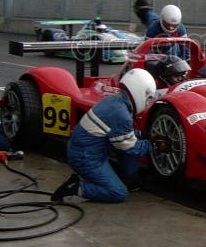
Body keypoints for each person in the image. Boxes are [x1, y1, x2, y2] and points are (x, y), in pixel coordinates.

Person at [50, 68, 158, 203]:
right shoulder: (121, 114)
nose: (147, 102)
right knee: (118, 193)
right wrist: (153, 144)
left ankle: (132, 180)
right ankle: (75, 187)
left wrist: (142, 135)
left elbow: (121, 135)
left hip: (85, 149)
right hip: (86, 158)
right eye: (148, 97)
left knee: (130, 144)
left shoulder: (114, 100)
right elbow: (131, 147)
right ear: (139, 91)